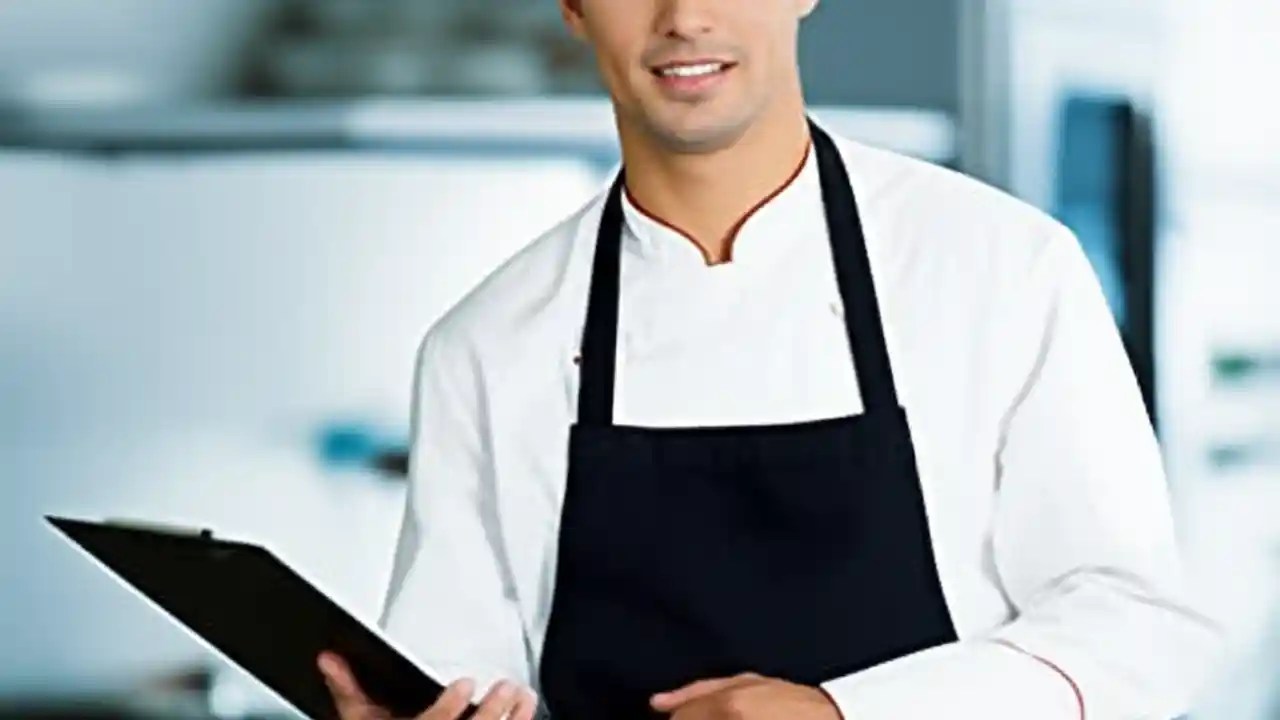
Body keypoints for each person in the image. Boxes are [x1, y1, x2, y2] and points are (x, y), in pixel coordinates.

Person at [318, 0, 1222, 718]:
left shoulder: (1003, 269)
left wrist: (845, 714)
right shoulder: (486, 344)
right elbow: (461, 667)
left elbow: (1137, 631)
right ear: (573, 6)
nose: (683, 17)